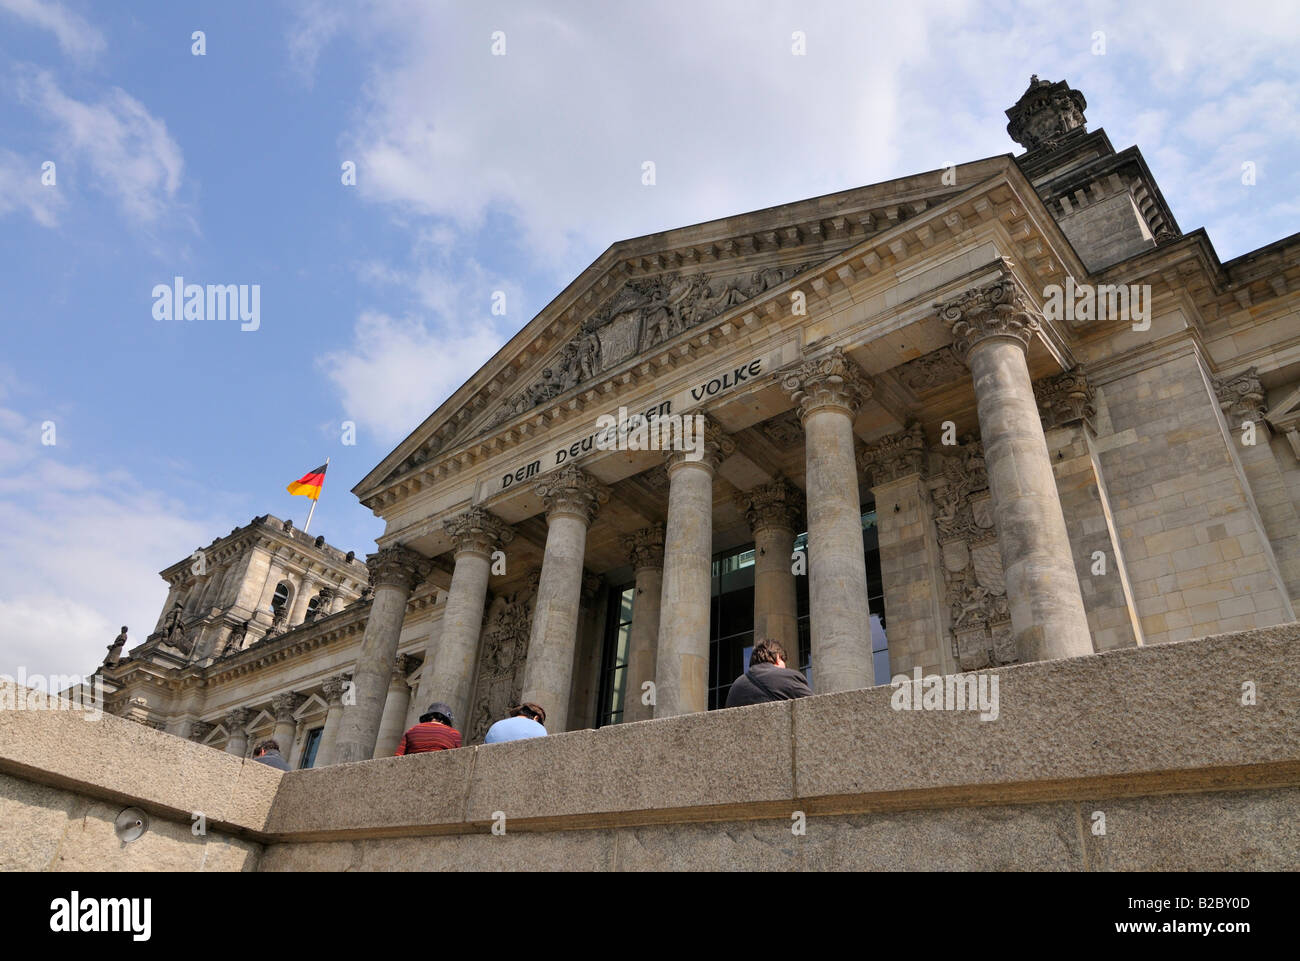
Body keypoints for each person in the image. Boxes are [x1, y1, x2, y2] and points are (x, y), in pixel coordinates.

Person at [724, 638, 813, 708]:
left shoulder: (735, 686)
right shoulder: (789, 677)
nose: (785, 667)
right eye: (784, 660)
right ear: (778, 657)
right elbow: (814, 708)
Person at [395, 702, 463, 755]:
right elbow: (458, 756)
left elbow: (398, 755)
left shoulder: (412, 730)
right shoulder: (454, 733)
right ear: (444, 720)